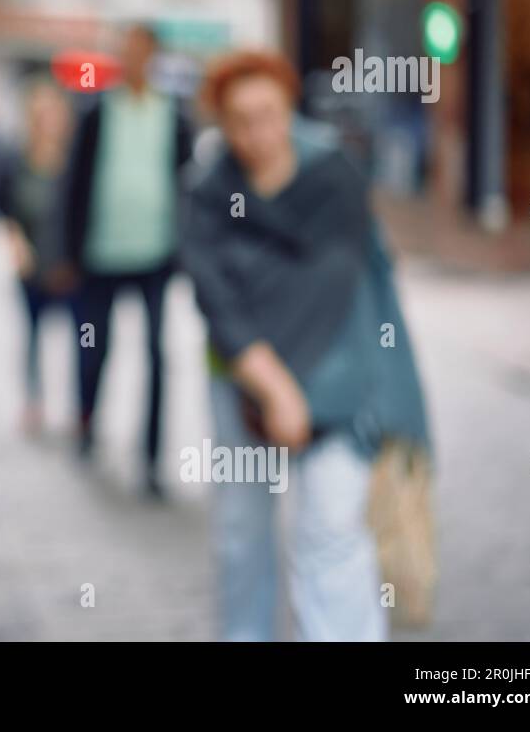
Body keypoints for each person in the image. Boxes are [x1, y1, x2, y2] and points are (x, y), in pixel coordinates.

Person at [180, 50, 430, 641]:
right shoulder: (208, 191)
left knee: (332, 531)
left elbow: (334, 280)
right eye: (240, 120)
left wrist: (292, 390)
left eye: (268, 114)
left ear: (288, 107)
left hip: (339, 381)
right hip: (241, 380)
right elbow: (215, 295)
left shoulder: (333, 174)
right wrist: (271, 386)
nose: (256, 134)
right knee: (242, 533)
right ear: (222, 123)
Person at [60, 23, 193, 495]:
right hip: (100, 254)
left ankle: (152, 457)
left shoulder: (174, 114)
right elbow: (73, 184)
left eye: (142, 50)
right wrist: (67, 251)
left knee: (157, 354)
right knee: (93, 349)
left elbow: (187, 185)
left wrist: (186, 251)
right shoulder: (97, 111)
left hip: (155, 256)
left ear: (155, 56)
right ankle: (87, 427)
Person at [0, 75, 78, 434]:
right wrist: (16, 244)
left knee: (81, 338)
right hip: (31, 263)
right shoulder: (16, 158)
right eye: (41, 113)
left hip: (69, 264)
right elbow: (5, 207)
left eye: (53, 112)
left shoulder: (75, 159)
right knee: (32, 336)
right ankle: (34, 401)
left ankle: (79, 408)